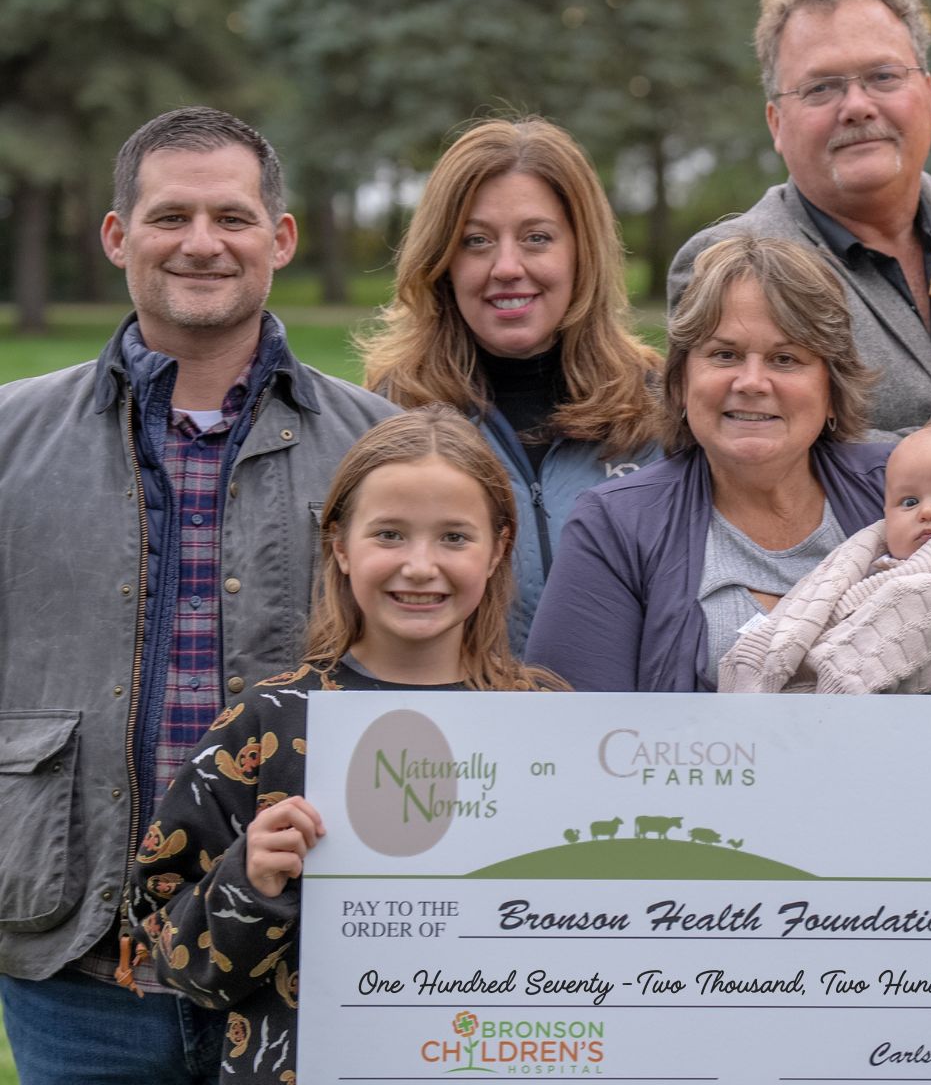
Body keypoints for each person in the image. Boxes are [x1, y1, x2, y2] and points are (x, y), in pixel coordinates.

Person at [0, 107, 396, 1084]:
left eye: (232, 216)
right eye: (171, 216)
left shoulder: (380, 451)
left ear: (281, 237)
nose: (203, 243)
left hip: (306, 962)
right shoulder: (9, 441)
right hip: (77, 969)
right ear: (117, 236)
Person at [128, 406, 565, 1085]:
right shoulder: (268, 722)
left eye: (454, 537)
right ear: (339, 545)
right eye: (389, 534)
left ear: (499, 548)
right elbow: (173, 951)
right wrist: (252, 880)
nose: (420, 567)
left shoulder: (549, 725)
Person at [528, 235, 931, 696]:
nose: (752, 382)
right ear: (681, 382)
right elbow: (578, 730)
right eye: (724, 355)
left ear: (831, 389)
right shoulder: (617, 525)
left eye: (786, 359)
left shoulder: (908, 485)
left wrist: (842, 712)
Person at [360, 117, 663, 651]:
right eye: (476, 241)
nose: (506, 267)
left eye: (536, 238)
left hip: (626, 731)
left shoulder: (661, 408)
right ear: (443, 261)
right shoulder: (385, 413)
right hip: (458, 730)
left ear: (580, 251)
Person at [668, 0, 931, 433]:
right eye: (821, 88)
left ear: (929, 97)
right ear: (776, 124)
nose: (857, 106)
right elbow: (758, 455)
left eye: (883, 76)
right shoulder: (727, 265)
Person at [717, 417, 931, 694]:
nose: (927, 511)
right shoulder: (875, 561)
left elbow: (908, 625)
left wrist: (818, 695)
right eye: (909, 502)